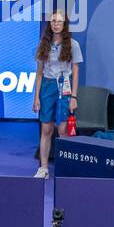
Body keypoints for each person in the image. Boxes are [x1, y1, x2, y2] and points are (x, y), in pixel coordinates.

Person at [32, 11, 82, 178]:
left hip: (65, 88)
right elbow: (39, 73)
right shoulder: (43, 44)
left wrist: (74, 97)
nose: (56, 24)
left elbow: (75, 72)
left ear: (64, 24)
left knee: (63, 129)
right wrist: (36, 97)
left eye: (59, 21)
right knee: (46, 128)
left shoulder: (73, 44)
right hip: (47, 87)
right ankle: (44, 168)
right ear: (50, 24)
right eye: (53, 21)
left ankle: (64, 169)